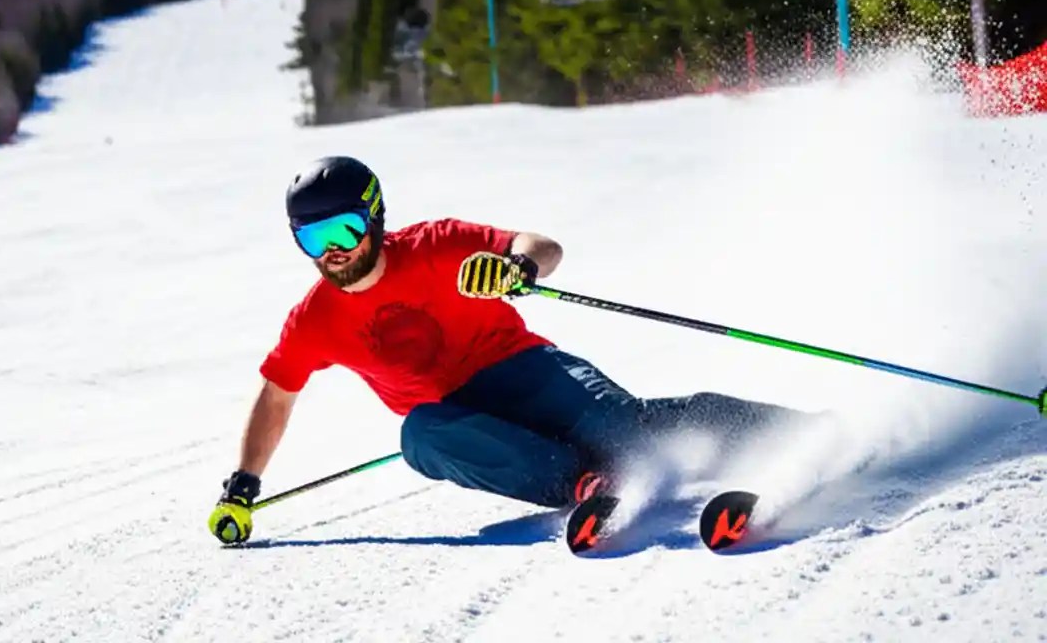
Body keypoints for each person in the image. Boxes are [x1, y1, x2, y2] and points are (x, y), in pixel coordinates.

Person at [208, 155, 800, 553]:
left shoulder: (435, 245)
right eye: (311, 238)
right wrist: (243, 483)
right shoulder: (316, 318)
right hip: (468, 422)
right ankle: (587, 485)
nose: (331, 251)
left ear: (374, 218)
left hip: (530, 372)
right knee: (420, 436)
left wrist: (518, 267)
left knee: (632, 431)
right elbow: (277, 392)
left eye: (341, 231)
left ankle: (800, 437)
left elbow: (541, 246)